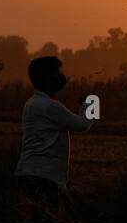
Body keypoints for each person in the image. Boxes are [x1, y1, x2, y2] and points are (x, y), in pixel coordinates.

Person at [15, 56, 92, 207]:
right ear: (47, 78)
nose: (61, 77)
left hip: (27, 172)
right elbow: (82, 124)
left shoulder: (31, 103)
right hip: (44, 177)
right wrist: (90, 105)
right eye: (56, 73)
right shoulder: (50, 106)